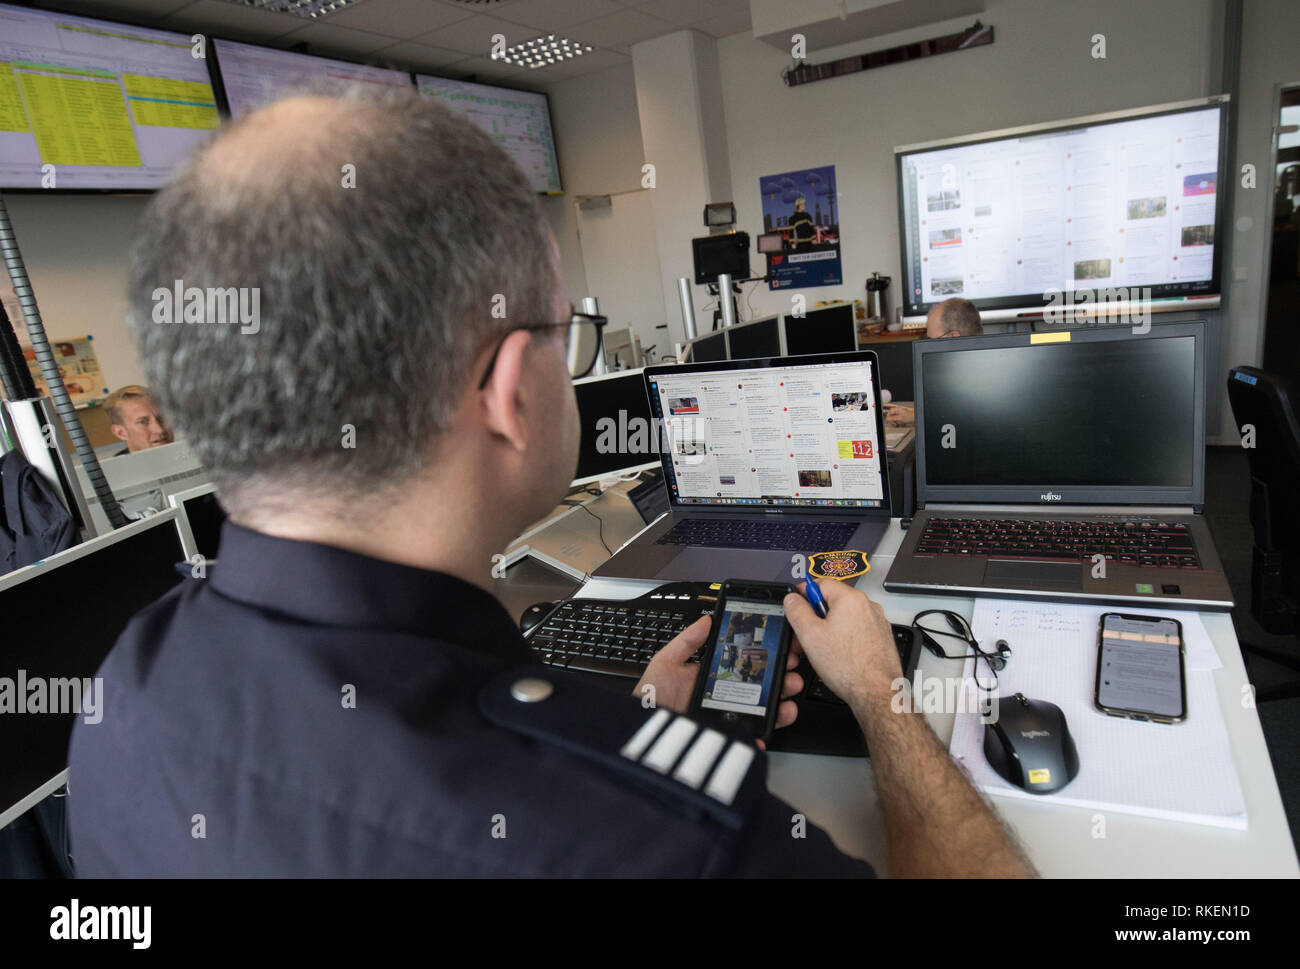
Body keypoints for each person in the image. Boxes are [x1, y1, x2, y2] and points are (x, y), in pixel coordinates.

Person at [68, 89, 1033, 877]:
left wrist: (643, 728)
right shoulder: (656, 840)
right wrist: (880, 698)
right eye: (559, 332)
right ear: (504, 392)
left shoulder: (125, 690)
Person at [103, 385, 174, 455]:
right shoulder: (115, 466)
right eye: (143, 422)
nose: (160, 429)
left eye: (162, 418)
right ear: (121, 433)